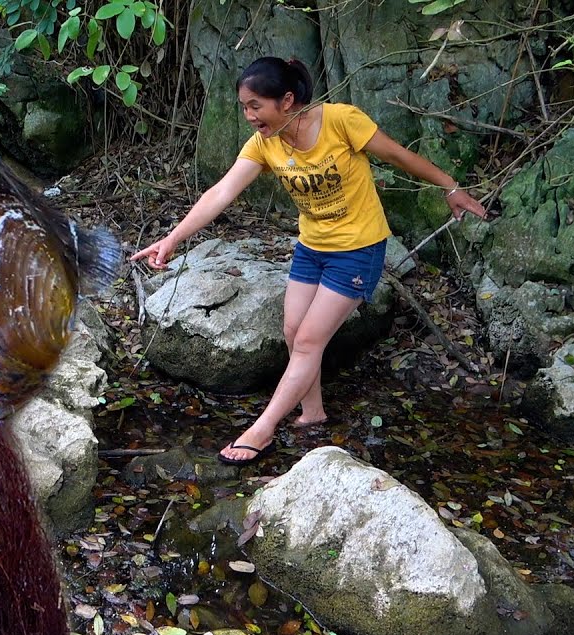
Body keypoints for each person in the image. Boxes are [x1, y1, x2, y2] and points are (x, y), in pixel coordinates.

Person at [130, 56, 488, 466]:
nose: (248, 116)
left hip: (358, 249)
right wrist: (173, 239)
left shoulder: (340, 121)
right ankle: (312, 412)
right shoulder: (266, 142)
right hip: (312, 246)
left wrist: (450, 187)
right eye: (244, 107)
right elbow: (221, 192)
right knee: (291, 329)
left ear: (286, 100)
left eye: (254, 106)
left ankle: (261, 430)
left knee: (308, 340)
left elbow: (397, 155)